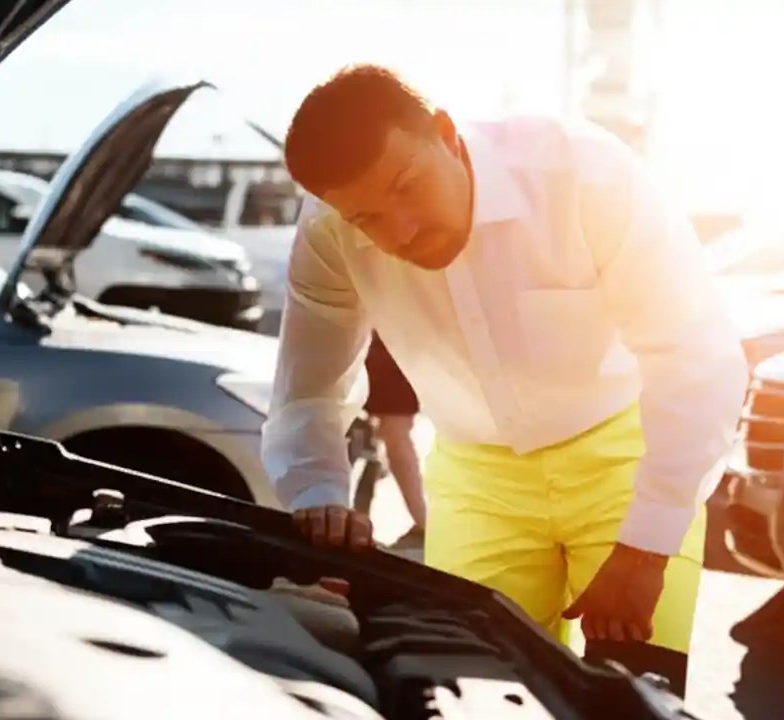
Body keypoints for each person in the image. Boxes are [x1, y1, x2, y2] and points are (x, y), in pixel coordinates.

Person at [261, 64, 748, 695]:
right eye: (367, 221)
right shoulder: (327, 226)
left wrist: (649, 544)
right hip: (476, 483)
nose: (398, 232)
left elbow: (694, 352)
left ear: (444, 132)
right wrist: (317, 491)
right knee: (473, 702)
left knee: (627, 702)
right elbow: (309, 382)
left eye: (406, 187)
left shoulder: (584, 172)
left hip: (629, 466)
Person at [361, 331, 427, 545]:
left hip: (392, 345)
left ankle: (423, 518)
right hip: (382, 344)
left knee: (393, 433)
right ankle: (422, 518)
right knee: (387, 434)